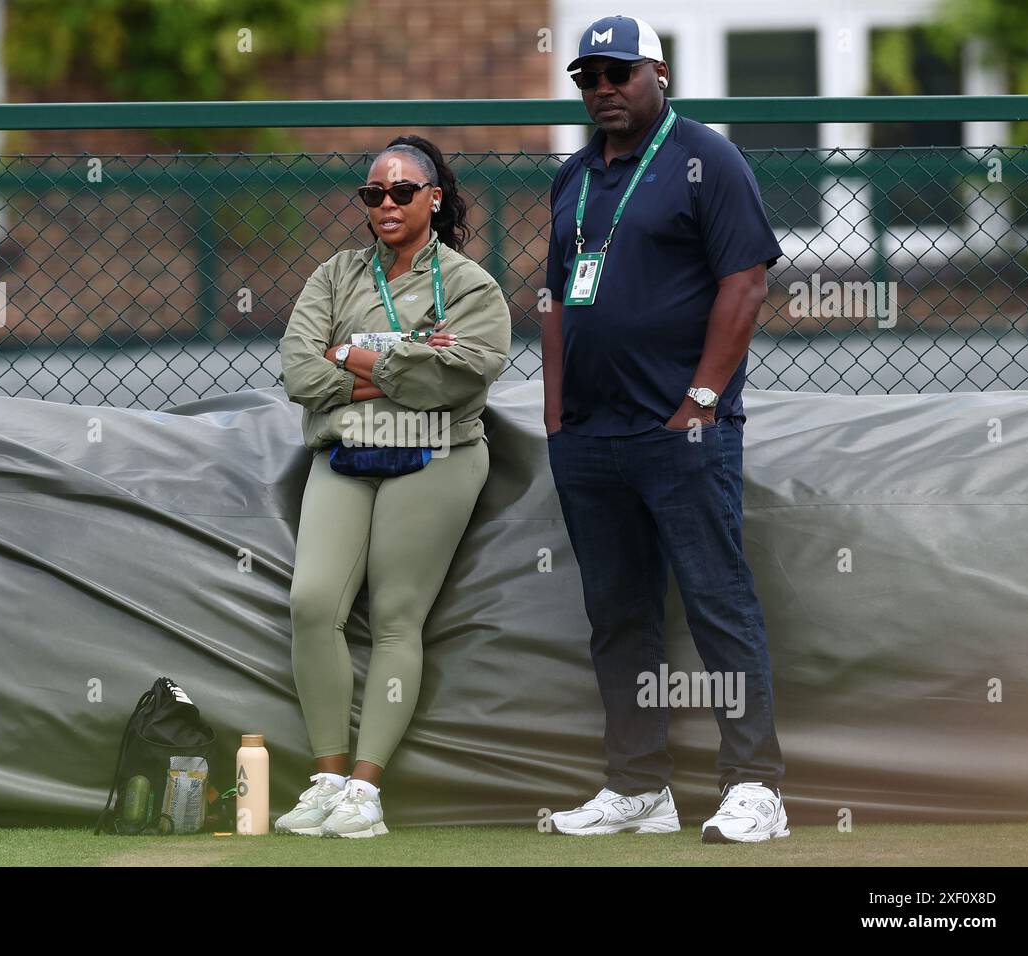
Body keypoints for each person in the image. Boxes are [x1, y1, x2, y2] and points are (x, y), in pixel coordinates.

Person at [543, 16, 789, 843]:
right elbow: (555, 300)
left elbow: (745, 284)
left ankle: (756, 786)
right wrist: (555, 411)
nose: (602, 89)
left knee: (718, 602)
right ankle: (639, 789)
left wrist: (703, 401)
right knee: (617, 614)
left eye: (618, 73)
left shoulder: (706, 156)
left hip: (682, 429)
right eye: (588, 77)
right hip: (590, 434)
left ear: (659, 71)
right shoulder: (573, 176)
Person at [277, 134, 512, 838]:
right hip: (347, 451)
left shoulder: (471, 284)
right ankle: (325, 776)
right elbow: (298, 371)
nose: (385, 204)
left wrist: (352, 355)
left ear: (433, 199)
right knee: (313, 602)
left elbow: (467, 373)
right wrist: (404, 362)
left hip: (437, 453)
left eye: (402, 192)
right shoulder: (336, 274)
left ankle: (365, 790)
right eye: (372, 193)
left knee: (397, 617)